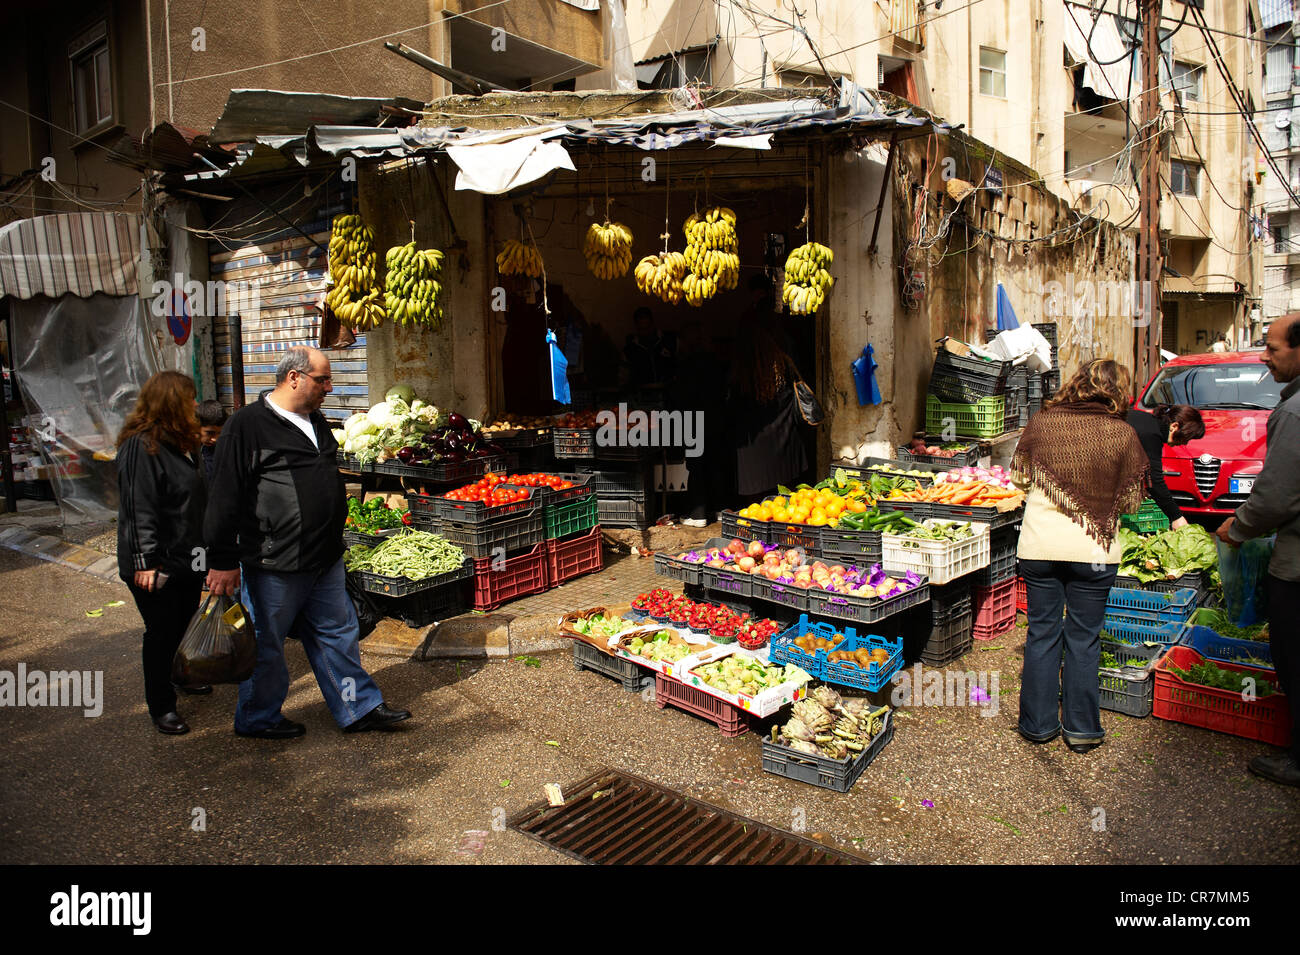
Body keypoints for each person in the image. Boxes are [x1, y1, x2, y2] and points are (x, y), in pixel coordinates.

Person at [204, 346, 410, 738]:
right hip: (274, 561)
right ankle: (257, 717)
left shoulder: (316, 420)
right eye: (323, 379)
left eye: (331, 379)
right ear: (294, 377)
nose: (329, 388)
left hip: (325, 556)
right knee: (266, 642)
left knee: (338, 633)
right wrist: (222, 558)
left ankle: (358, 707)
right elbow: (224, 495)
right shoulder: (246, 425)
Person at [1013, 359, 1149, 754]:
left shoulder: (1042, 423)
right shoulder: (1123, 434)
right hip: (1094, 551)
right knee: (1084, 639)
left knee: (1042, 632)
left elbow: (1019, 477)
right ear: (1118, 391)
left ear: (1076, 384)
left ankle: (1037, 725)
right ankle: (1082, 730)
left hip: (1040, 547)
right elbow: (1131, 502)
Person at [1216, 312, 1300, 787]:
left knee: (1293, 657)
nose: (1264, 357)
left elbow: (1276, 496)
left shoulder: (1293, 412)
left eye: (1272, 348)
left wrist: (1239, 528)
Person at [116, 371, 209, 735]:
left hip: (188, 555)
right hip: (157, 561)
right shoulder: (142, 447)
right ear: (172, 402)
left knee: (184, 622)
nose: (196, 404)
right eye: (190, 398)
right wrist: (146, 561)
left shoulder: (182, 442)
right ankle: (161, 705)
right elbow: (138, 507)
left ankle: (181, 677)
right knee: (161, 632)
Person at [729, 314, 810, 500]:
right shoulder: (783, 363)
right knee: (784, 498)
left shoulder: (740, 370)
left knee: (757, 506)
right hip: (784, 439)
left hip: (753, 446)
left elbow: (733, 404)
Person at [1126, 403, 1206, 529]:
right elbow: (1154, 479)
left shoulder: (1146, 421)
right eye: (1186, 438)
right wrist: (1176, 517)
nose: (1184, 443)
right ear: (1174, 426)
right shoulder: (1151, 435)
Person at [624, 307, 676, 386]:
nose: (645, 333)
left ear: (652, 325)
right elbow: (624, 377)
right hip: (643, 393)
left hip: (668, 391)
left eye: (647, 328)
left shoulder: (669, 342)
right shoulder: (630, 350)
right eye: (641, 329)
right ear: (636, 327)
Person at [196, 399, 227, 483]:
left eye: (219, 433)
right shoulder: (188, 450)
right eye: (209, 433)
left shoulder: (225, 449)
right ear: (197, 427)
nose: (215, 439)